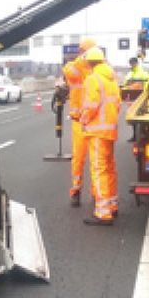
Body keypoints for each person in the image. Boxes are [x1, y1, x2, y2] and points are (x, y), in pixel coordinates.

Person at [79, 46, 121, 225]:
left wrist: (83, 119)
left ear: (89, 63)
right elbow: (117, 103)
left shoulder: (92, 79)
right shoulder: (111, 79)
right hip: (109, 130)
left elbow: (91, 105)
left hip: (97, 131)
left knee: (99, 170)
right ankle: (112, 204)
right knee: (110, 168)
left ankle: (103, 213)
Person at [60, 37, 97, 207]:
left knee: (80, 159)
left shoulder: (73, 67)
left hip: (83, 122)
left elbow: (69, 70)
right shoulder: (92, 69)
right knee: (94, 160)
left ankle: (77, 191)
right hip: (91, 121)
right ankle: (94, 194)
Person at [122, 57, 149, 142]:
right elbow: (125, 84)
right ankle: (135, 136)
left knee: (140, 118)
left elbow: (147, 84)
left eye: (133, 63)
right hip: (133, 98)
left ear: (136, 63)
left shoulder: (142, 73)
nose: (132, 65)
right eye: (131, 64)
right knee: (133, 119)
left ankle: (141, 136)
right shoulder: (130, 73)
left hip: (140, 97)